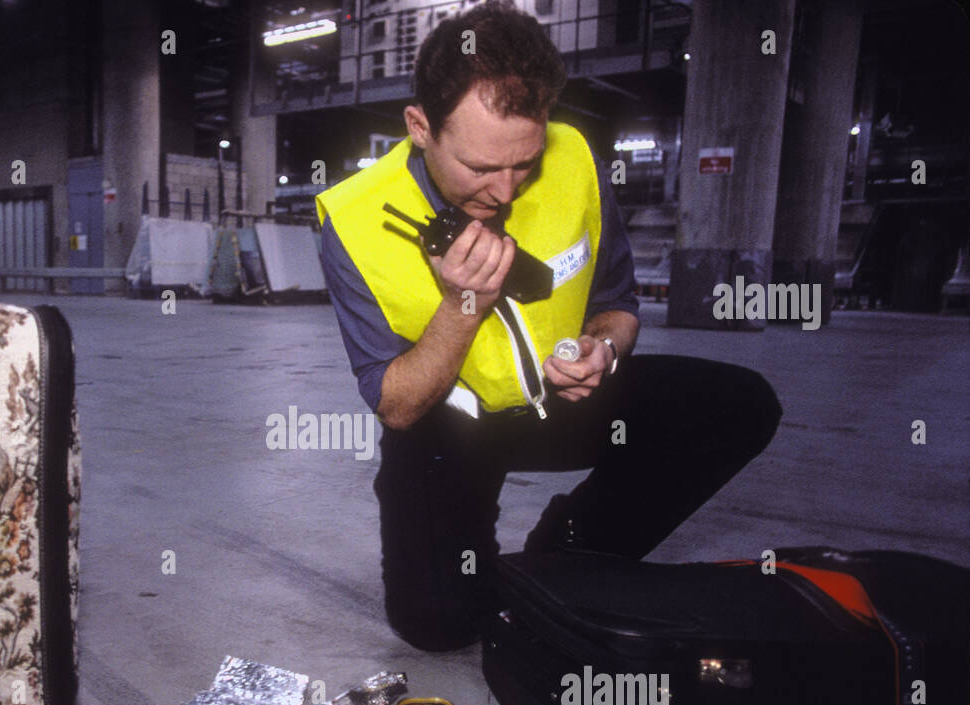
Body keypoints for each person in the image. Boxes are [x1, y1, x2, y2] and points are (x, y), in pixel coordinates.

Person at [315, 1, 782, 651]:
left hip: (560, 400)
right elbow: (396, 403)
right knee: (438, 625)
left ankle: (571, 549)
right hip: (452, 426)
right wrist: (463, 304)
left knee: (739, 406)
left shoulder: (574, 161)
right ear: (420, 127)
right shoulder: (353, 220)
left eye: (523, 164)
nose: (506, 191)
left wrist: (603, 351)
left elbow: (618, 301)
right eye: (480, 168)